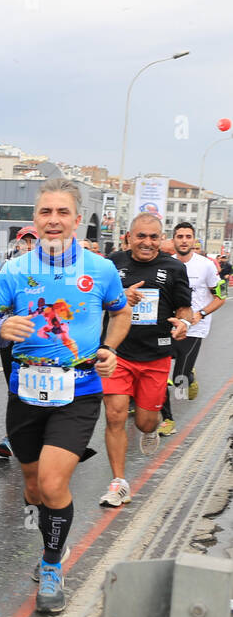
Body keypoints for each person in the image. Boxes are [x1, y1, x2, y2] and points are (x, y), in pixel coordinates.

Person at [0, 178, 130, 613]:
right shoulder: (15, 270)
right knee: (31, 484)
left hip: (79, 388)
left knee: (51, 481)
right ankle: (50, 535)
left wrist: (109, 348)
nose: (54, 220)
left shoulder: (99, 270)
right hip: (24, 389)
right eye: (46, 212)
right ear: (35, 220)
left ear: (77, 220)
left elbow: (120, 313)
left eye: (63, 213)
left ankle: (50, 565)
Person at [99, 213, 194, 507]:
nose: (147, 242)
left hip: (156, 356)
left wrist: (183, 324)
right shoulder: (112, 264)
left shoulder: (174, 267)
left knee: (144, 422)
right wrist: (118, 298)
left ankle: (150, 428)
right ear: (129, 237)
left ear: (161, 239)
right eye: (141, 236)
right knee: (115, 415)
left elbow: (184, 308)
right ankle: (119, 483)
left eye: (154, 237)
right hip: (118, 352)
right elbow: (93, 301)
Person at [158, 221, 222, 434]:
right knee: (159, 376)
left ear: (194, 240)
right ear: (173, 239)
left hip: (194, 328)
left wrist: (200, 313)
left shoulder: (206, 265)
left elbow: (221, 297)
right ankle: (168, 419)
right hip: (168, 327)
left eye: (188, 237)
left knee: (179, 381)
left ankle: (189, 375)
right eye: (180, 236)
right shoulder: (165, 263)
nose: (184, 240)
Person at [0, 226, 39, 457]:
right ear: (18, 244)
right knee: (14, 386)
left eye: (33, 242)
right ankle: (13, 435)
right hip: (12, 335)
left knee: (36, 385)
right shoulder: (9, 268)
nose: (28, 246)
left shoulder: (51, 270)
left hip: (40, 339)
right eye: (25, 242)